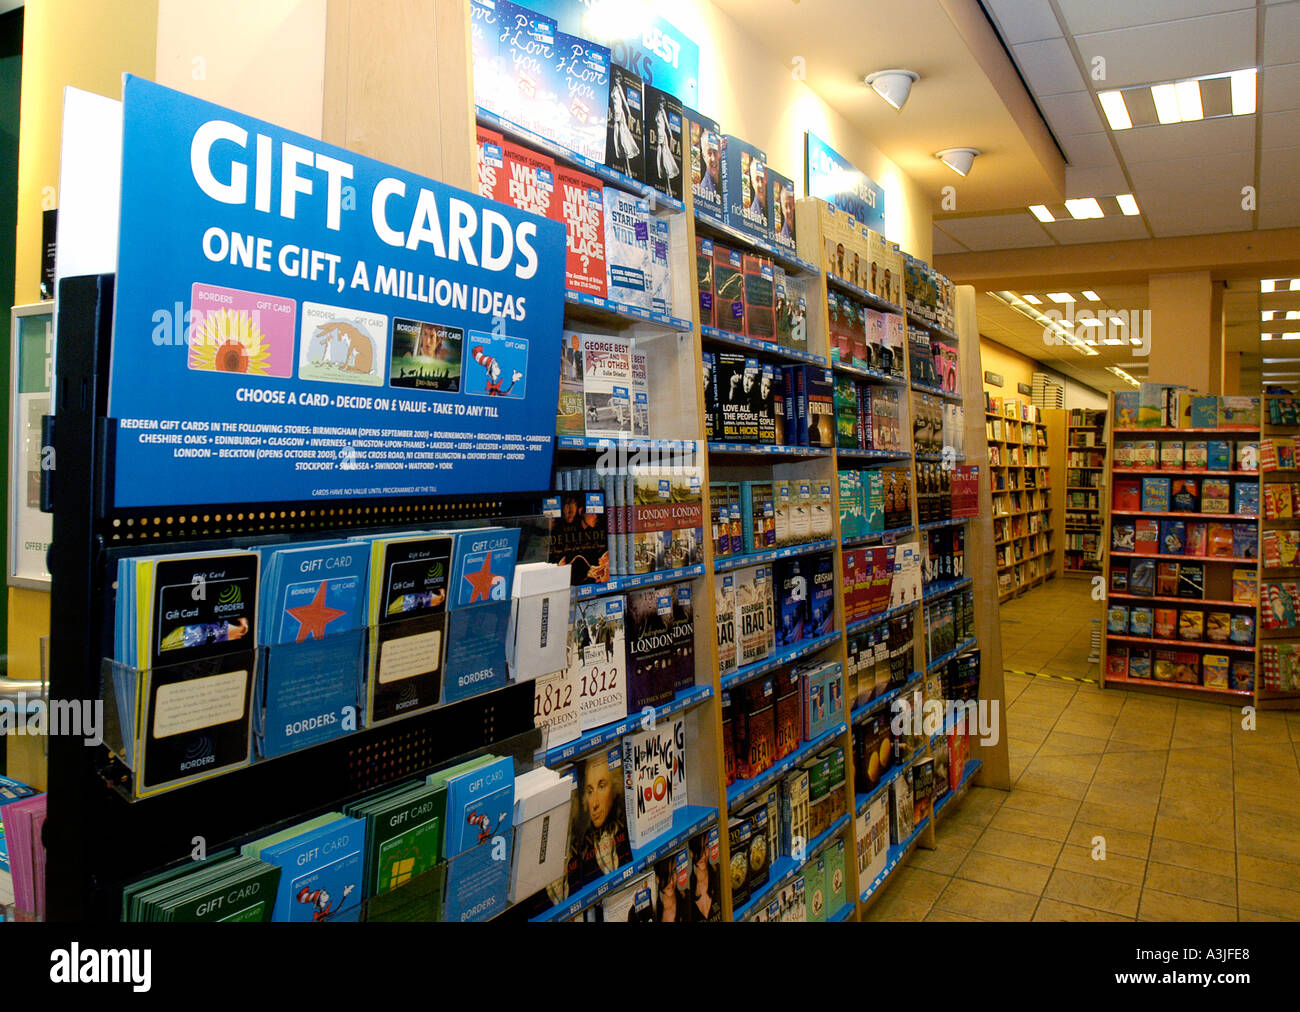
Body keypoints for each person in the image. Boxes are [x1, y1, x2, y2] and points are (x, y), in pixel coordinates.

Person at [688, 833, 719, 921]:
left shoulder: (718, 874)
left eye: (706, 847)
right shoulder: (689, 890)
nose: (704, 855)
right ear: (691, 853)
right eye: (699, 849)